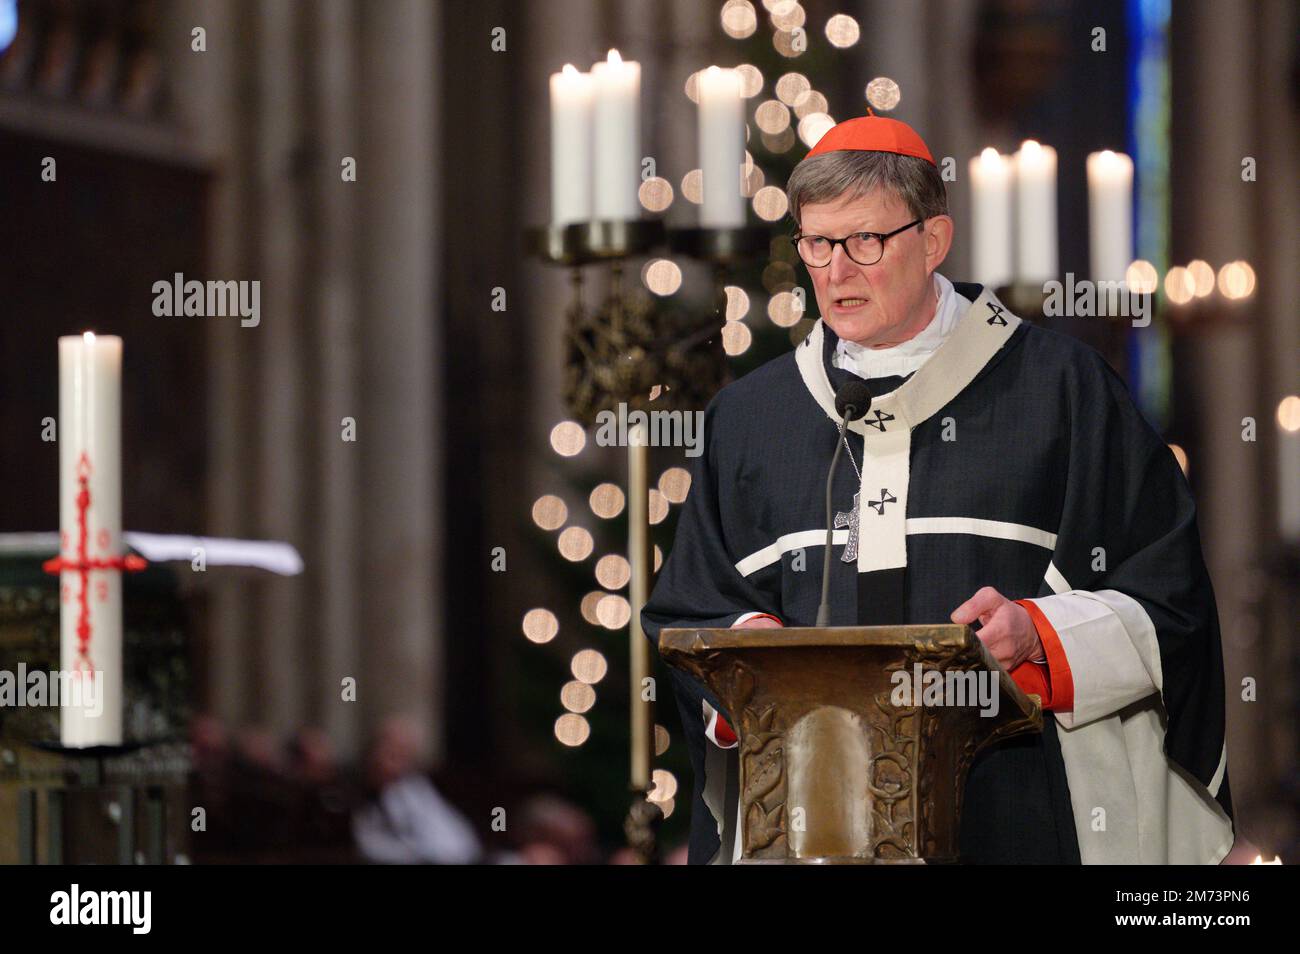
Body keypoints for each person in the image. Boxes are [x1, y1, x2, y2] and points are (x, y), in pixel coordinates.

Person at [642, 114, 1234, 865]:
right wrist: (750, 656)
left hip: (1019, 807)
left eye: (865, 240)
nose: (836, 271)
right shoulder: (752, 418)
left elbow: (1171, 597)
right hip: (811, 819)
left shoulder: (1061, 391)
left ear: (933, 241)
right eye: (817, 244)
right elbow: (687, 611)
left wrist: (1040, 636)